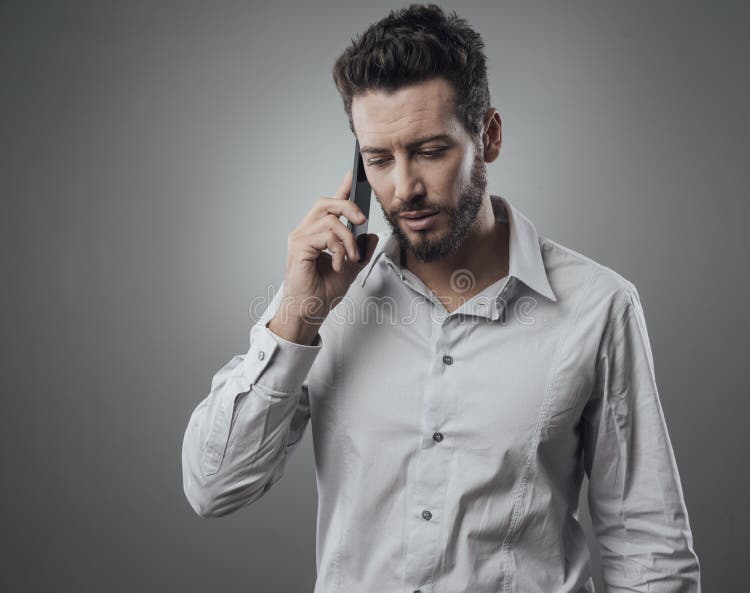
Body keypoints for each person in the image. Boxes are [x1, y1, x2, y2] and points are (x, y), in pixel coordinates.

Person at [181, 4, 701, 592]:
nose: (404, 189)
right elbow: (214, 488)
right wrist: (297, 320)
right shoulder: (325, 301)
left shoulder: (598, 306)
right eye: (379, 160)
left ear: (488, 136)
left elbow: (649, 550)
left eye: (430, 151)